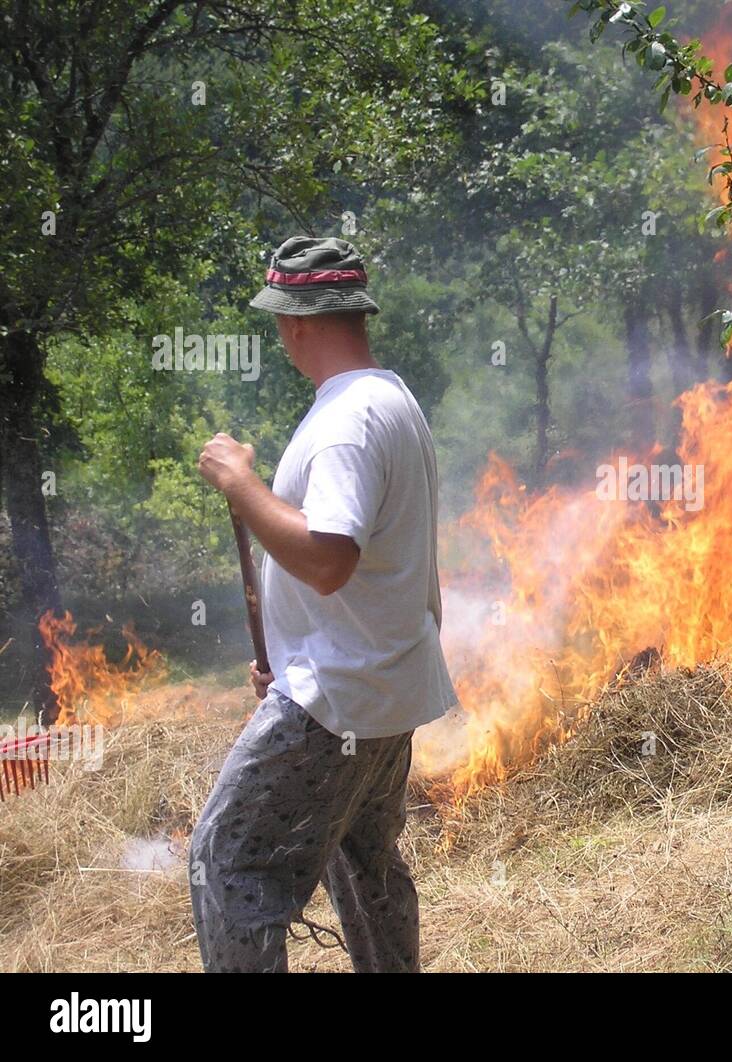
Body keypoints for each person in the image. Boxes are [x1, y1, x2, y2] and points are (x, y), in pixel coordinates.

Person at [189, 236, 458, 972]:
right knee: (364, 867)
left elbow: (331, 560)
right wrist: (288, 652)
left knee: (229, 867)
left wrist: (239, 484)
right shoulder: (390, 399)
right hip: (376, 689)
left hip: (336, 698)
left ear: (297, 321)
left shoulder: (347, 423)